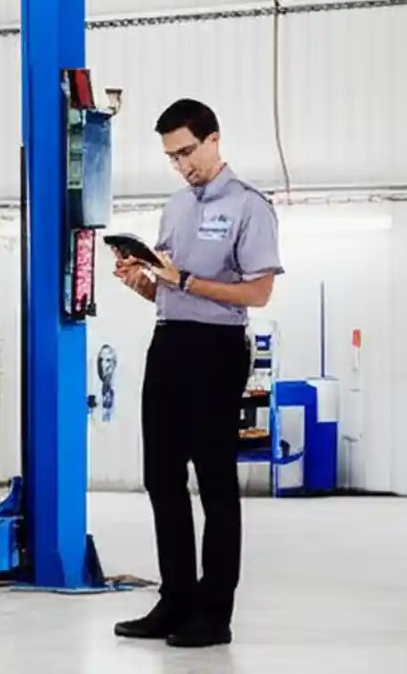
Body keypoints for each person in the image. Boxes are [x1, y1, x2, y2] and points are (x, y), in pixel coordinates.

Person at [111, 98, 283, 648]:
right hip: (169, 343)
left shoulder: (250, 206)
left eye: (187, 151)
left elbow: (258, 292)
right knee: (161, 477)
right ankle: (176, 600)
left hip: (217, 348)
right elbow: (167, 288)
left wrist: (182, 280)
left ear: (214, 139)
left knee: (213, 481)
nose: (182, 165)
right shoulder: (175, 208)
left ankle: (214, 613)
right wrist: (142, 281)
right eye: (172, 157)